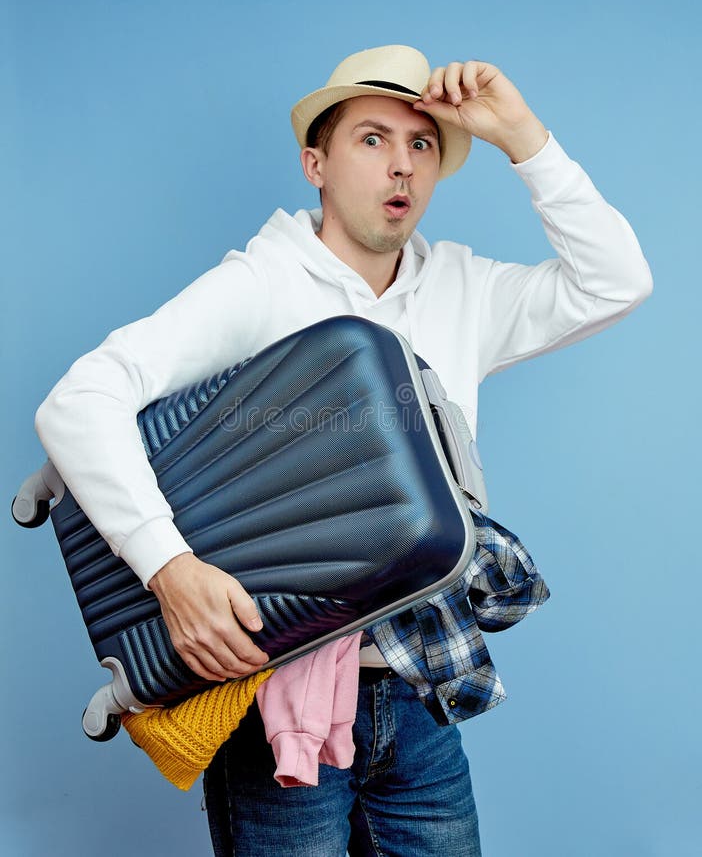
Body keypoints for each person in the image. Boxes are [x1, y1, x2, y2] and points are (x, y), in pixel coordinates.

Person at [34, 45, 653, 855]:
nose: (400, 166)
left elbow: (617, 281)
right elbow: (80, 399)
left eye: (421, 144)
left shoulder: (468, 290)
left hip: (422, 693)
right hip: (275, 709)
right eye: (371, 139)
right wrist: (169, 569)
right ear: (314, 163)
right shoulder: (261, 284)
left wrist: (524, 137)